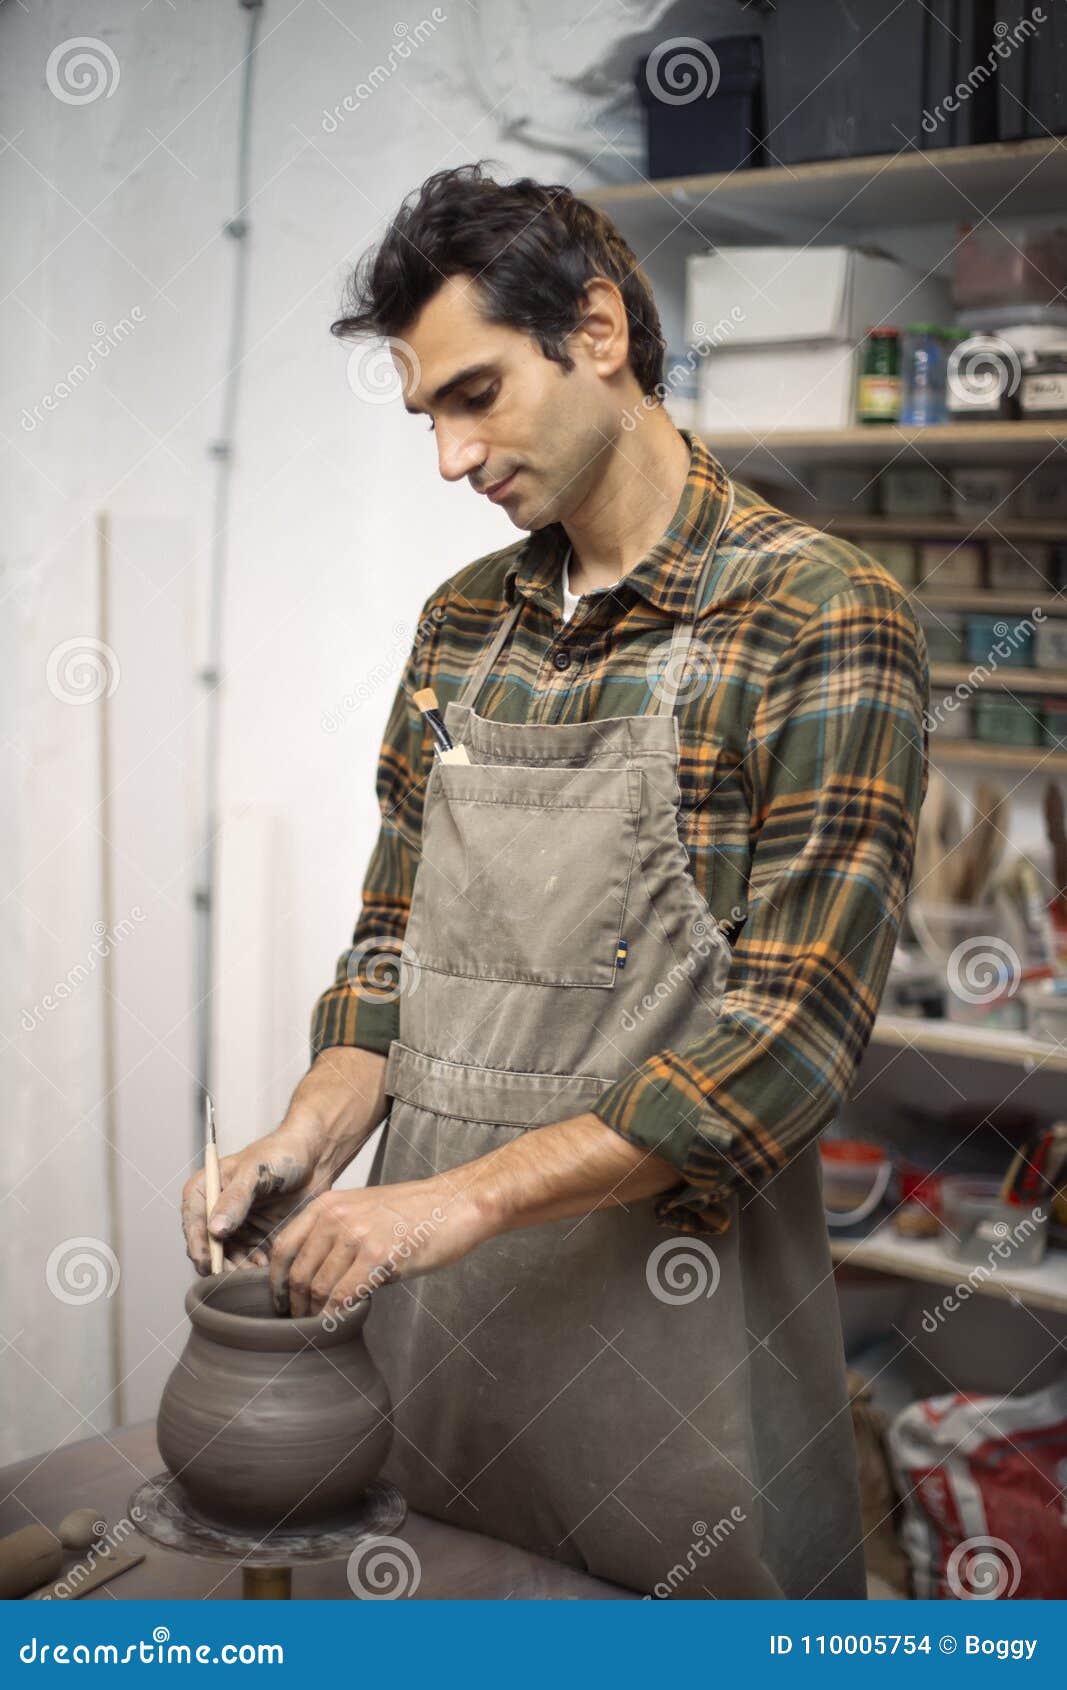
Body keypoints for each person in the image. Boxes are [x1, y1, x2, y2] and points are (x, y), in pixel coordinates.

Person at [181, 162, 929, 1599]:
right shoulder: (463, 626)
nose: (451, 461)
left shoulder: (818, 617)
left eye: (475, 394)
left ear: (597, 333)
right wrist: (307, 1137)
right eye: (428, 417)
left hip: (675, 1364)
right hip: (430, 1345)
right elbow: (389, 951)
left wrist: (450, 1202)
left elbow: (786, 1046)